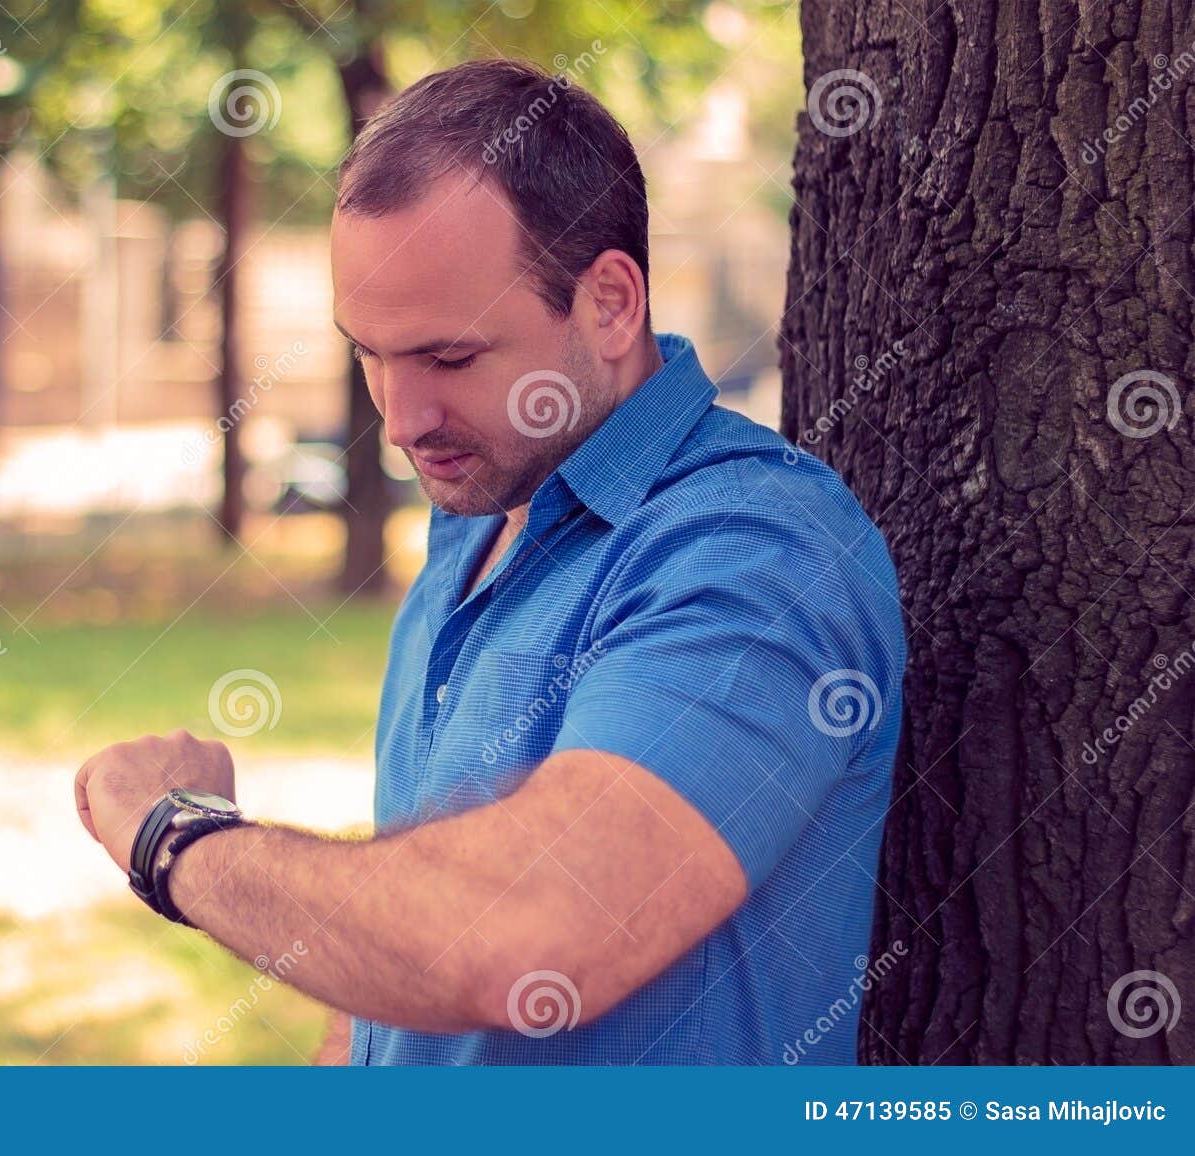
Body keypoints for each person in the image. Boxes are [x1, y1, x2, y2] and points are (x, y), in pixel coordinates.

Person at [75, 58, 906, 1065]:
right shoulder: (476, 522)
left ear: (610, 304)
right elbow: (400, 951)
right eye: (369, 354)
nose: (401, 420)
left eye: (451, 357)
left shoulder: (755, 552)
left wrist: (177, 839)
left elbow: (528, 936)